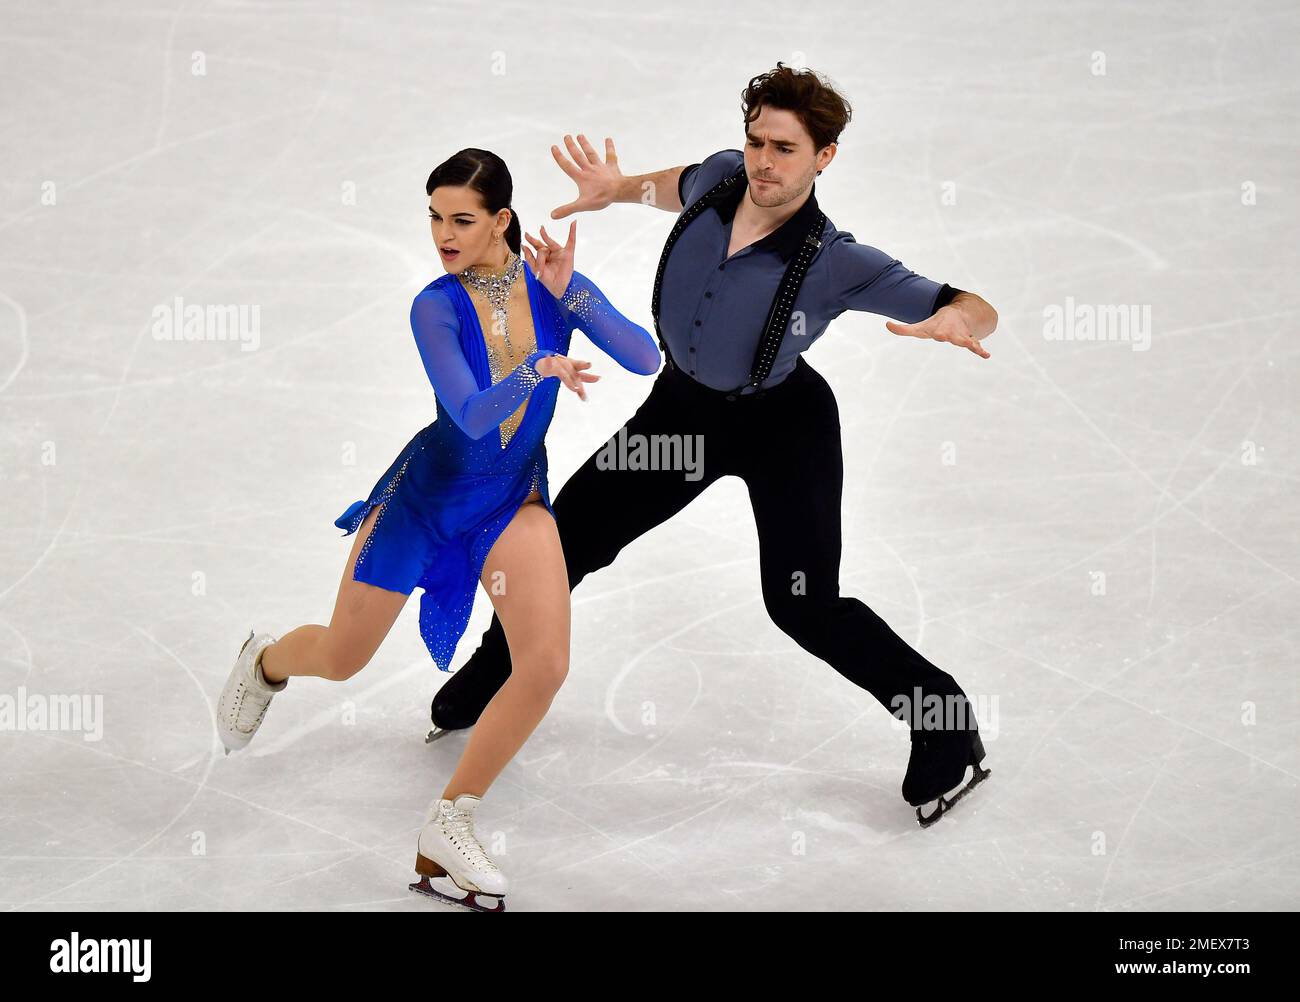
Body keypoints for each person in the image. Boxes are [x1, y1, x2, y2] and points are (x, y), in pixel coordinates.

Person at [429, 65, 999, 827]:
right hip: (683, 420)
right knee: (562, 543)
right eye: (757, 139)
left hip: (783, 429)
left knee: (802, 604)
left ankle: (945, 719)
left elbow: (964, 301)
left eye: (786, 149)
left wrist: (962, 320)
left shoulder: (835, 260)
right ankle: (500, 668)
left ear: (824, 156)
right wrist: (620, 185)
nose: (765, 160)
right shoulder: (724, 180)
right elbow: (679, 180)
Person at [214, 148, 660, 912]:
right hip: (425, 504)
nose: (443, 235)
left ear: (502, 222)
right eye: (434, 217)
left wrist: (574, 299)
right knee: (343, 655)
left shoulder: (552, 286)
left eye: (461, 219)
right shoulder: (434, 305)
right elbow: (472, 412)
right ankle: (266, 662)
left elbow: (645, 359)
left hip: (509, 505)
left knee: (545, 664)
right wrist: (539, 365)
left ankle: (449, 824)